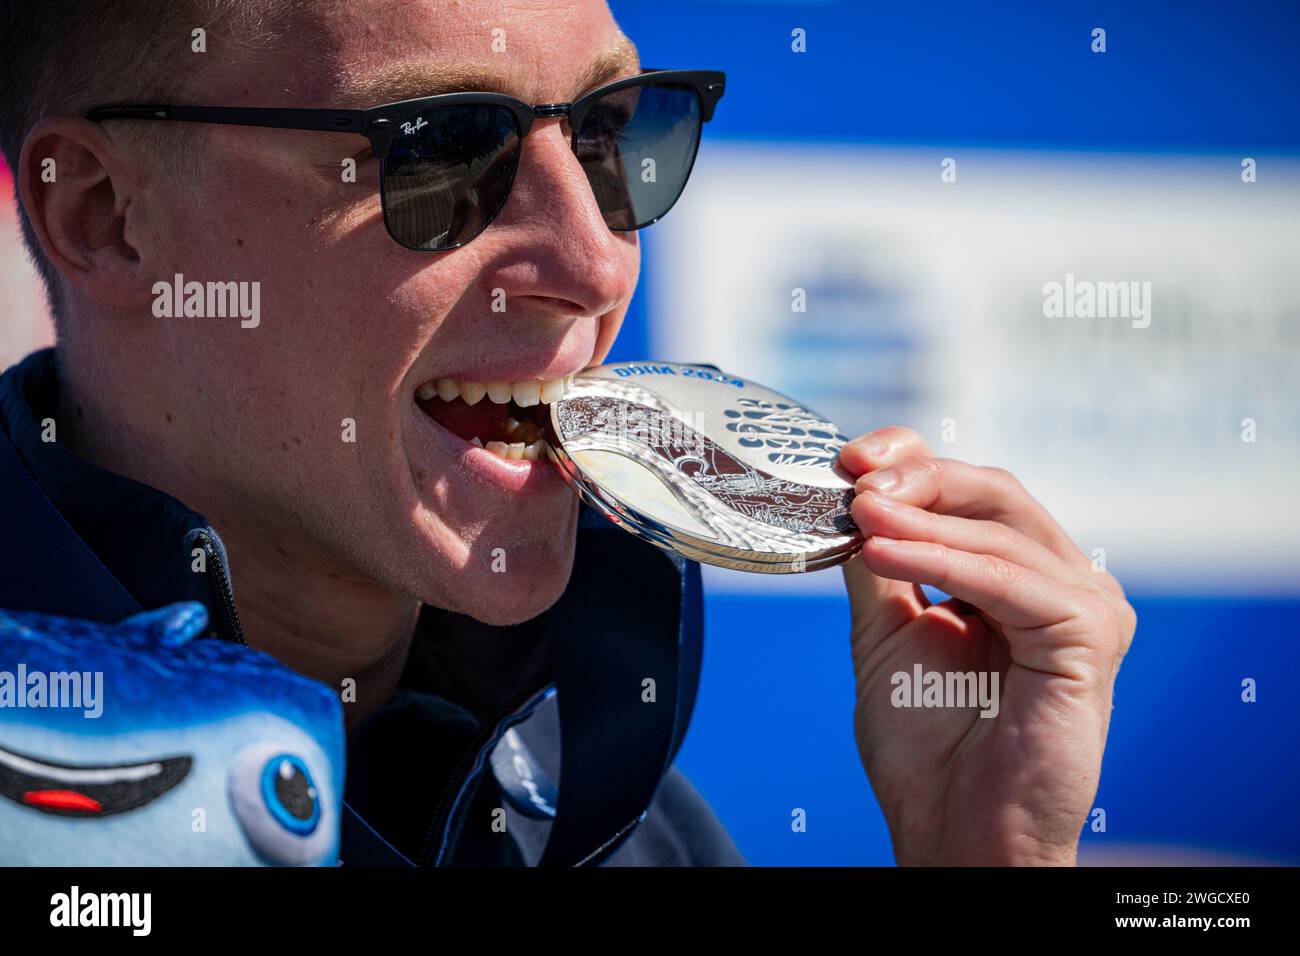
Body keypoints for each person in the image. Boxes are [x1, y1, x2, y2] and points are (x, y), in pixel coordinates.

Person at [0, 0, 1135, 866]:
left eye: (608, 132)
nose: (596, 262)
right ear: (103, 214)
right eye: (438, 147)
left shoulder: (633, 819)